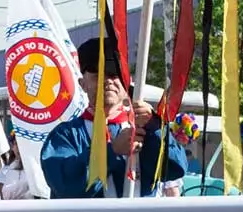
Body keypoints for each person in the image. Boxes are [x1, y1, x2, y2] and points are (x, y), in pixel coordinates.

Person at [40, 36, 183, 198]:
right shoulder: (65, 135)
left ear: (126, 82)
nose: (107, 81)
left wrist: (155, 127)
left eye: (114, 74)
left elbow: (175, 169)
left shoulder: (144, 128)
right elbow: (64, 185)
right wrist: (111, 151)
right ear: (83, 84)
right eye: (97, 74)